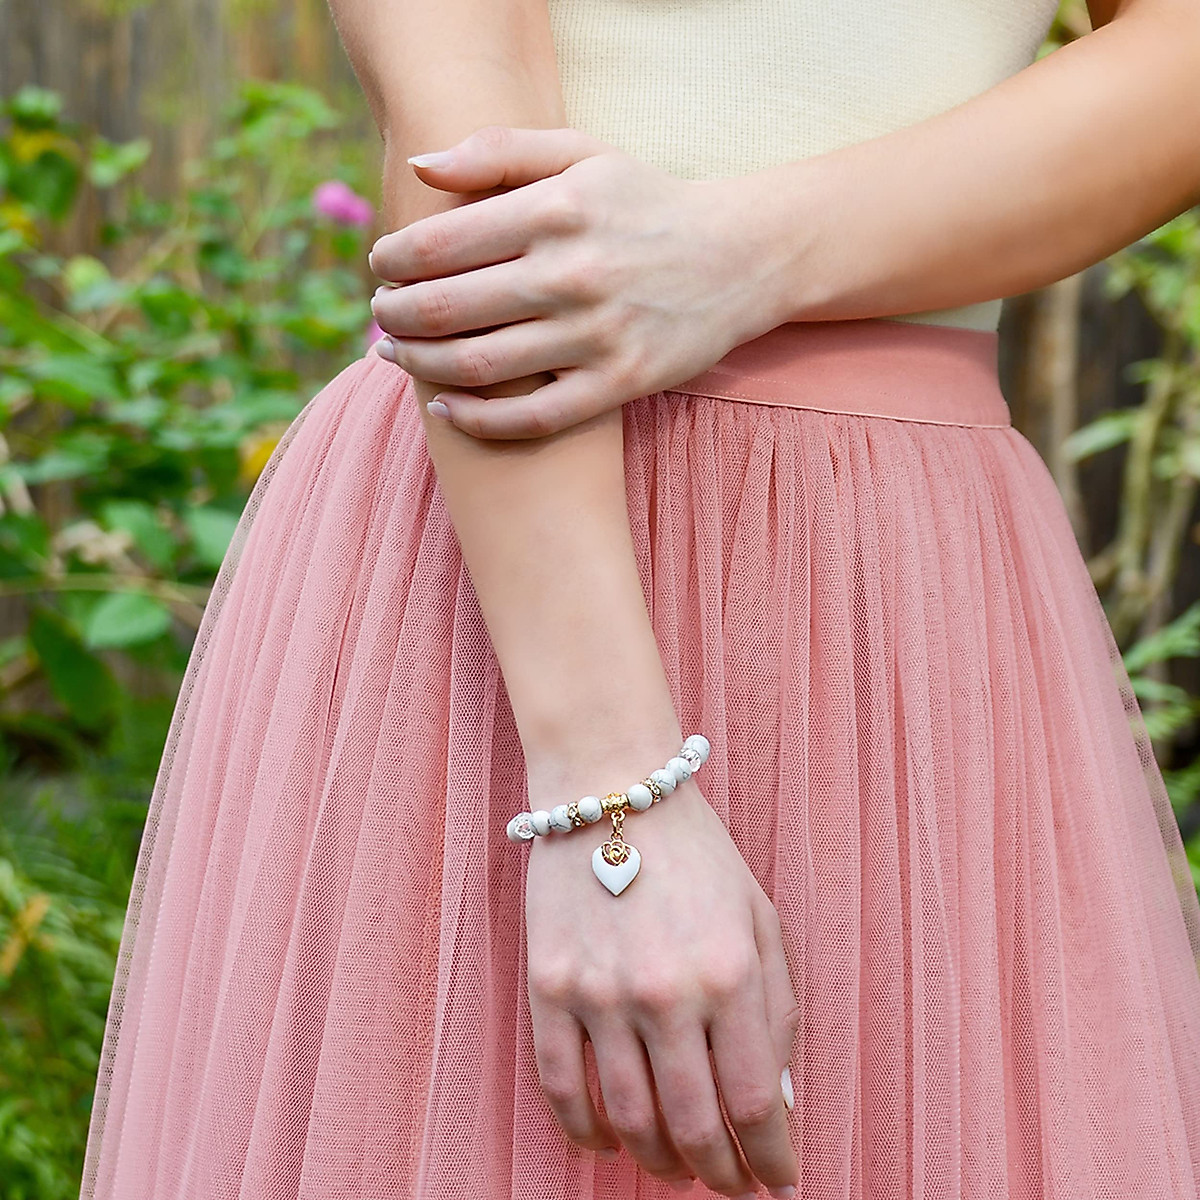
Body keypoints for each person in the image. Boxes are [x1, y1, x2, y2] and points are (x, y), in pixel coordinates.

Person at [79, 0, 1200, 1197]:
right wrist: (609, 795)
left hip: (912, 611)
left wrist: (749, 252)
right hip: (522, 570)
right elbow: (467, 128)